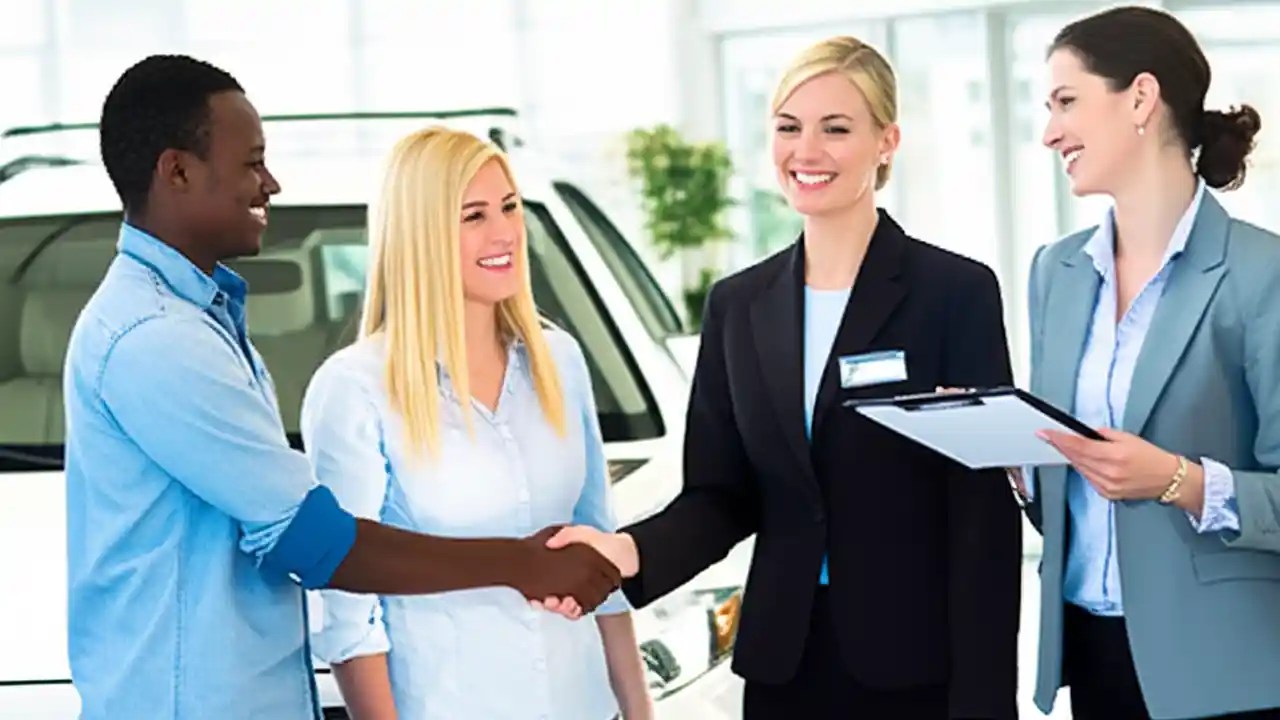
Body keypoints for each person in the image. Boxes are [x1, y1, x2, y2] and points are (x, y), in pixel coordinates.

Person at [62, 55, 620, 720]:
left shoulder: (200, 320)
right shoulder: (156, 338)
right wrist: (520, 563)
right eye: (252, 163)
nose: (270, 182)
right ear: (177, 170)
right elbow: (312, 538)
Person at [548, 35, 1022, 719]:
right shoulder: (739, 305)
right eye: (788, 127)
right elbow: (721, 495)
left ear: (886, 141)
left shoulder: (954, 293)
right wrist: (626, 550)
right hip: (785, 664)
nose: (807, 151)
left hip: (919, 667)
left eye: (837, 128)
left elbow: (982, 518)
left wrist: (984, 702)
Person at [298, 126, 652, 720]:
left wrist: (639, 714)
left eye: (509, 208)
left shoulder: (559, 359)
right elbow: (349, 618)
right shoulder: (355, 387)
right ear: (422, 235)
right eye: (474, 216)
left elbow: (601, 553)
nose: (505, 232)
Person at [1021, 6, 1280, 719]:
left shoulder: (1262, 275)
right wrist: (1015, 455)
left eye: (1066, 102)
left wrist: (1180, 481)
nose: (1049, 133)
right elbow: (1072, 498)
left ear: (1140, 97)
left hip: (1224, 672)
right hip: (1094, 654)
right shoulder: (1056, 272)